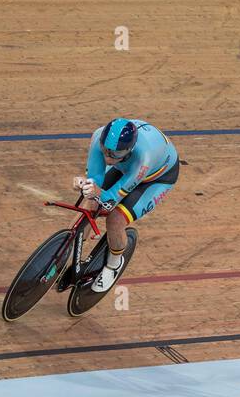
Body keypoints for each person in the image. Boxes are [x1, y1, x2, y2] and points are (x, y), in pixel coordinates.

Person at [72, 118, 180, 292]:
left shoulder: (144, 158)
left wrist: (98, 192)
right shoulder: (99, 137)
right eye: (105, 151)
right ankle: (68, 248)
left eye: (114, 154)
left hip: (155, 178)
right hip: (126, 166)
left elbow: (111, 199)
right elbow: (95, 179)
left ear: (128, 150)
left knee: (115, 219)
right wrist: (86, 183)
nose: (107, 157)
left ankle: (114, 265)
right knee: (89, 203)